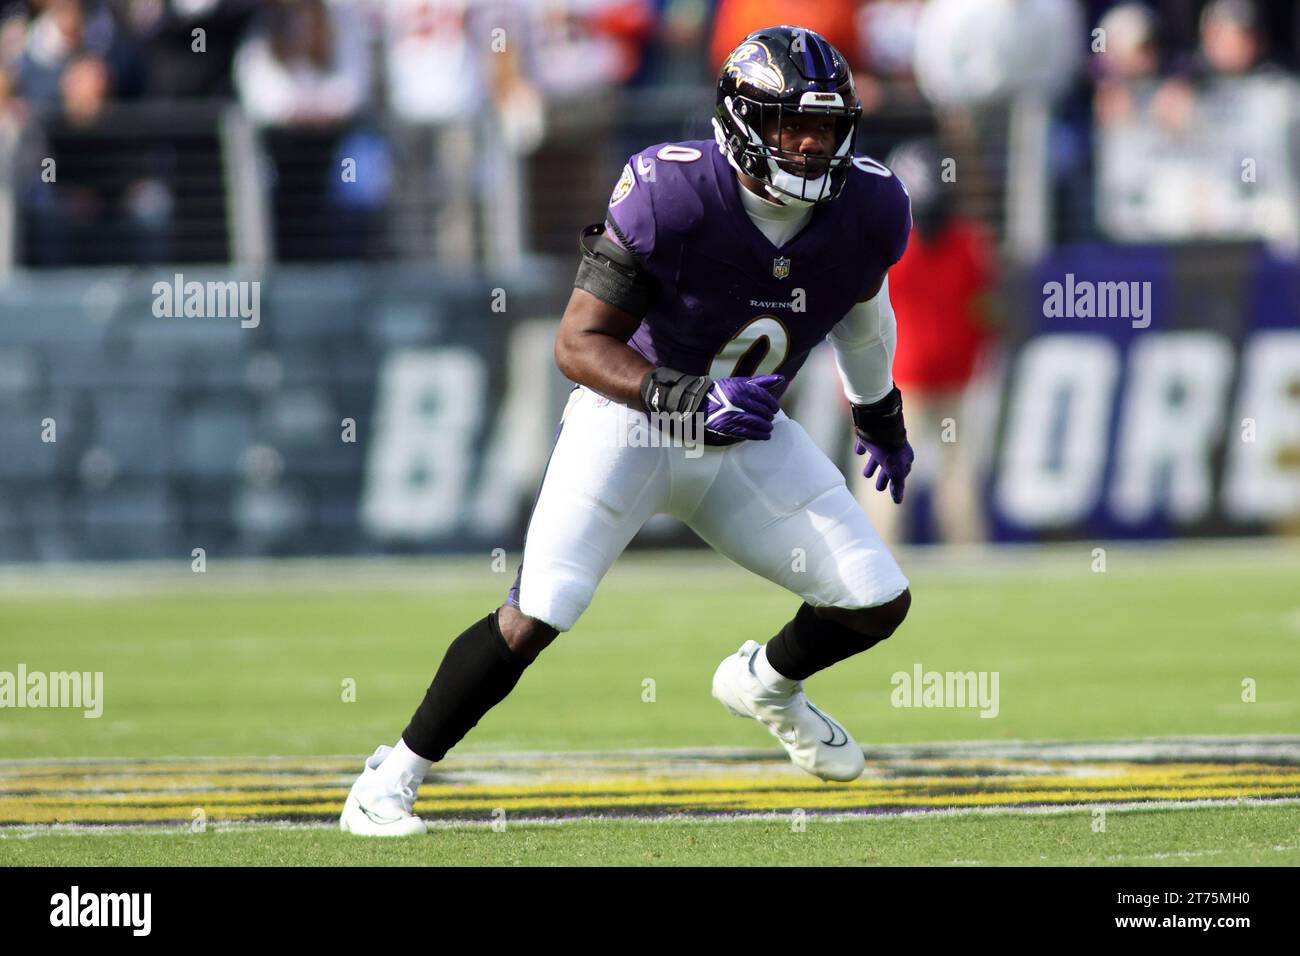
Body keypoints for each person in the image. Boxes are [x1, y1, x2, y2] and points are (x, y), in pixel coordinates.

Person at [341, 24, 915, 836]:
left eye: (825, 127)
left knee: (875, 600)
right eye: (793, 126)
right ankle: (388, 779)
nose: (812, 145)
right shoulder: (673, 193)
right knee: (538, 611)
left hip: (743, 439)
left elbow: (863, 307)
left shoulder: (869, 206)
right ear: (744, 122)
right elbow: (577, 344)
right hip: (632, 425)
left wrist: (877, 411)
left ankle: (766, 682)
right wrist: (685, 398)